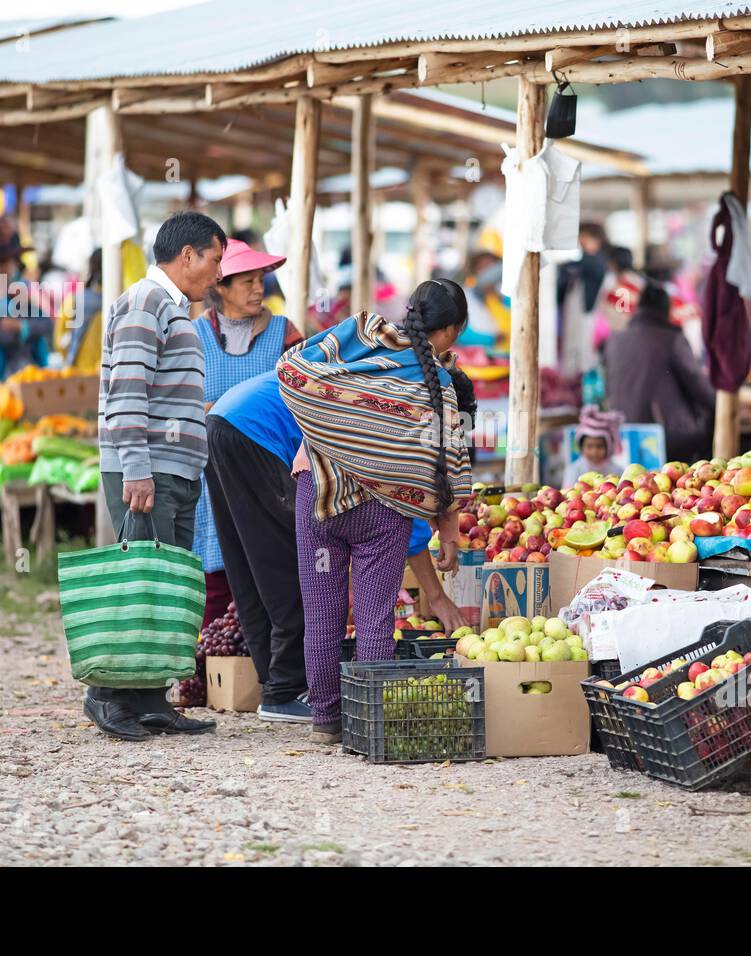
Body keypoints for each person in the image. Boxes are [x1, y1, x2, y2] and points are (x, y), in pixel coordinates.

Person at [206, 368, 473, 724]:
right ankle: (287, 690)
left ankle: (275, 689)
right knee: (291, 568)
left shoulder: (381, 373)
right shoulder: (401, 410)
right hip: (257, 430)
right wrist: (436, 597)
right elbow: (396, 513)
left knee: (250, 568)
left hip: (223, 420)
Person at [278, 278, 473, 744]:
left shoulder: (363, 334)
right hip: (382, 517)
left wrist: (337, 431)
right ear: (452, 330)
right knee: (373, 618)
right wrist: (448, 537)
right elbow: (447, 473)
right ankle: (371, 724)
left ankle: (324, 722)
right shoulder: (440, 389)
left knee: (322, 614)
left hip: (318, 495)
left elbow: (291, 368)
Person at [90, 210, 226, 742]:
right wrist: (138, 470)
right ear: (187, 255)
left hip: (177, 471)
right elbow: (127, 394)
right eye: (215, 260)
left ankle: (151, 701)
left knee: (166, 589)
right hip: (148, 472)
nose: (219, 273)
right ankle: (106, 699)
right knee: (138, 587)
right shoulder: (146, 303)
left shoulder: (173, 311)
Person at [192, 238, 300, 627]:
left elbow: (305, 399)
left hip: (271, 477)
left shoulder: (285, 334)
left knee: (269, 573)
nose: (259, 289)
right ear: (220, 287)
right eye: (247, 281)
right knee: (217, 583)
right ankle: (215, 680)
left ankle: (266, 676)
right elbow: (175, 404)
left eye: (261, 280)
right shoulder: (193, 338)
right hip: (210, 478)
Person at [605, 280, 717, 462]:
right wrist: (719, 405)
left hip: (622, 431)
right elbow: (700, 388)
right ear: (666, 310)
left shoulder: (615, 341)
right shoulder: (672, 339)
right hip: (667, 435)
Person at [0, 227, 54, 378]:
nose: (5, 269)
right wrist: (24, 334)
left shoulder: (27, 291)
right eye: (1, 264)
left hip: (27, 371)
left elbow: (47, 324)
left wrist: (19, 326)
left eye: (8, 263)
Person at [563, 405, 624, 485]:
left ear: (608, 447)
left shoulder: (617, 471)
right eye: (589, 446)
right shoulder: (574, 470)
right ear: (581, 447)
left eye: (600, 446)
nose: (594, 452)